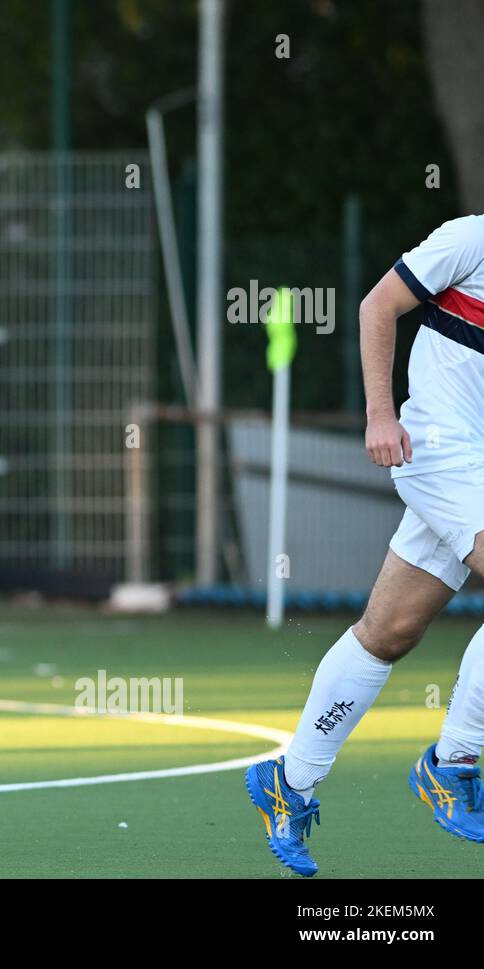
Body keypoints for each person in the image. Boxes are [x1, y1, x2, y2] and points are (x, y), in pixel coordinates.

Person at [246, 215, 484, 876]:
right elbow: (378, 304)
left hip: (479, 472)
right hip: (436, 449)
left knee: (390, 630)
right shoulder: (472, 238)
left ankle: (288, 782)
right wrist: (381, 413)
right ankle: (453, 765)